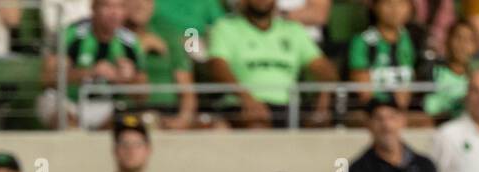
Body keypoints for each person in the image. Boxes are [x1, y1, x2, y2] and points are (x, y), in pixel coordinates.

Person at [206, 0, 334, 128]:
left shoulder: (293, 29)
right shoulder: (225, 27)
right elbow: (218, 67)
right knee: (256, 126)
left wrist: (324, 100)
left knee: (320, 128)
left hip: (288, 108)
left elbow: (323, 68)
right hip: (240, 105)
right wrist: (246, 99)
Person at [39, 0, 147, 131]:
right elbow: (46, 79)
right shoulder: (72, 34)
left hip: (108, 106)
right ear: (93, 8)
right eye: (107, 6)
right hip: (70, 102)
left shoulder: (131, 43)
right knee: (62, 117)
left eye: (120, 7)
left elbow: (143, 94)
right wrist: (89, 73)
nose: (114, 13)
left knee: (129, 123)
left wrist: (126, 80)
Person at [127, 0, 201, 130]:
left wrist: (182, 120)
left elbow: (187, 89)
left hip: (167, 112)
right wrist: (139, 50)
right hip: (129, 113)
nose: (140, 5)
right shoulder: (113, 37)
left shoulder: (169, 36)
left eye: (147, 1)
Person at [347, 0, 422, 113]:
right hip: (373, 111)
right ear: (375, 7)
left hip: (407, 110)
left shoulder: (416, 38)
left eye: (401, 4)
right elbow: (363, 88)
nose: (395, 9)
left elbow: (419, 77)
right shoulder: (362, 41)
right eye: (388, 4)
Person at [422, 17, 478, 122]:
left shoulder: (477, 77)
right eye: (458, 38)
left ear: (475, 46)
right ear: (448, 41)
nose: (463, 45)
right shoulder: (433, 71)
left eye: (468, 40)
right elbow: (429, 108)